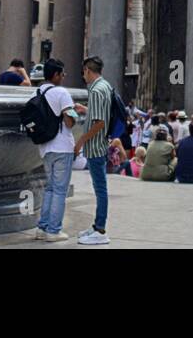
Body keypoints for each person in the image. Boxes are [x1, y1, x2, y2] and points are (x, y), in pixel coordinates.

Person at [32, 59, 85, 242]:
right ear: (55, 75)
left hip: (45, 147)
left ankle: (42, 227)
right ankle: (53, 230)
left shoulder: (38, 91)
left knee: (50, 189)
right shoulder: (62, 92)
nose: (63, 77)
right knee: (60, 190)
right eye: (62, 74)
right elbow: (70, 121)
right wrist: (75, 112)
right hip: (62, 146)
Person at [74, 55, 113, 245]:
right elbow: (101, 113)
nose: (84, 76)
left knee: (100, 189)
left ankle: (100, 230)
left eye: (84, 72)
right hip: (101, 144)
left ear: (88, 71)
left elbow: (100, 123)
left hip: (95, 147)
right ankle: (97, 226)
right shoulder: (105, 86)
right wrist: (86, 109)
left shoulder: (96, 91)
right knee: (100, 188)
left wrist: (80, 141)